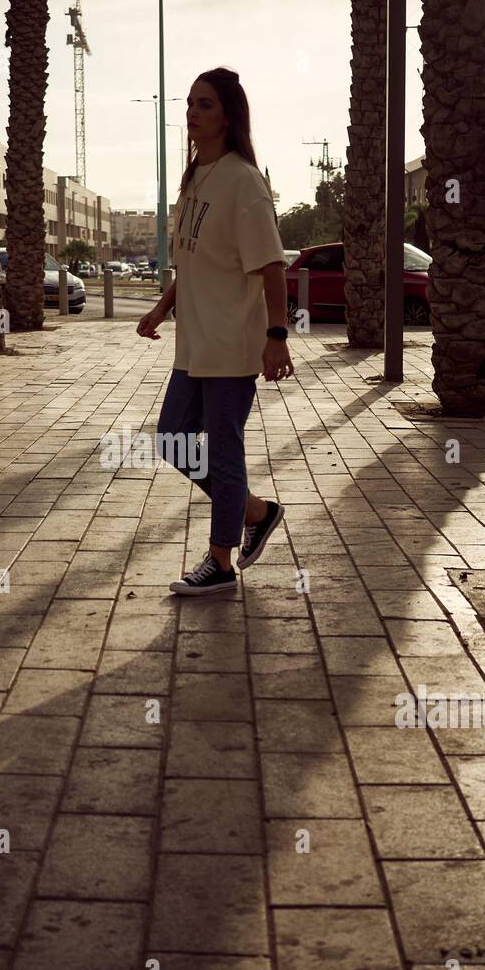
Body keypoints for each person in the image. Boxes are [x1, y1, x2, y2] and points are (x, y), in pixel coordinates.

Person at [136, 65, 293, 596]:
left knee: (222, 452)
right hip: (193, 345)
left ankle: (220, 563)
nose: (192, 114)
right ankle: (253, 509)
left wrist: (277, 335)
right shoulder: (195, 179)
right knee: (173, 440)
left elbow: (271, 266)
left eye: (204, 105)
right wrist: (160, 310)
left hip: (231, 345)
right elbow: (192, 263)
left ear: (228, 115)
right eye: (189, 104)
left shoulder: (244, 182)